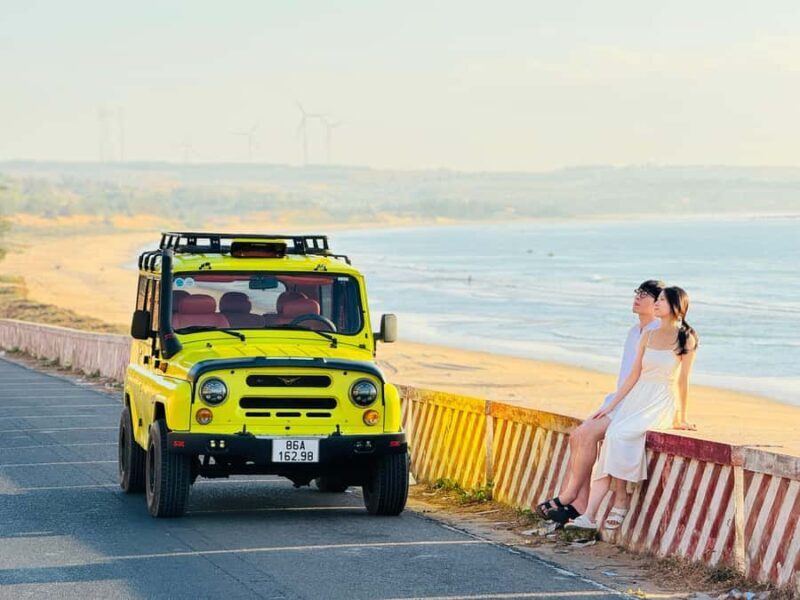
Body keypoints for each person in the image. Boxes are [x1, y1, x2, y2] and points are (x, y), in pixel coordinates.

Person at [566, 286, 699, 530]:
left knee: (619, 435)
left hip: (660, 401)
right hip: (636, 398)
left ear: (676, 306)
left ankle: (621, 500)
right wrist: (611, 406)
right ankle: (591, 515)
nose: (656, 303)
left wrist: (681, 417)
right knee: (611, 438)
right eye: (656, 299)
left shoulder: (686, 338)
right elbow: (633, 375)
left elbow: (683, 381)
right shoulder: (647, 336)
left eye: (662, 300)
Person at [538, 279, 664, 524]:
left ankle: (570, 496)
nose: (638, 297)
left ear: (659, 303)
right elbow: (627, 375)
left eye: (646, 294)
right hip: (618, 399)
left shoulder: (656, 332)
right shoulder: (634, 331)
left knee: (585, 435)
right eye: (637, 292)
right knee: (577, 436)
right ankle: (578, 502)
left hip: (634, 404)